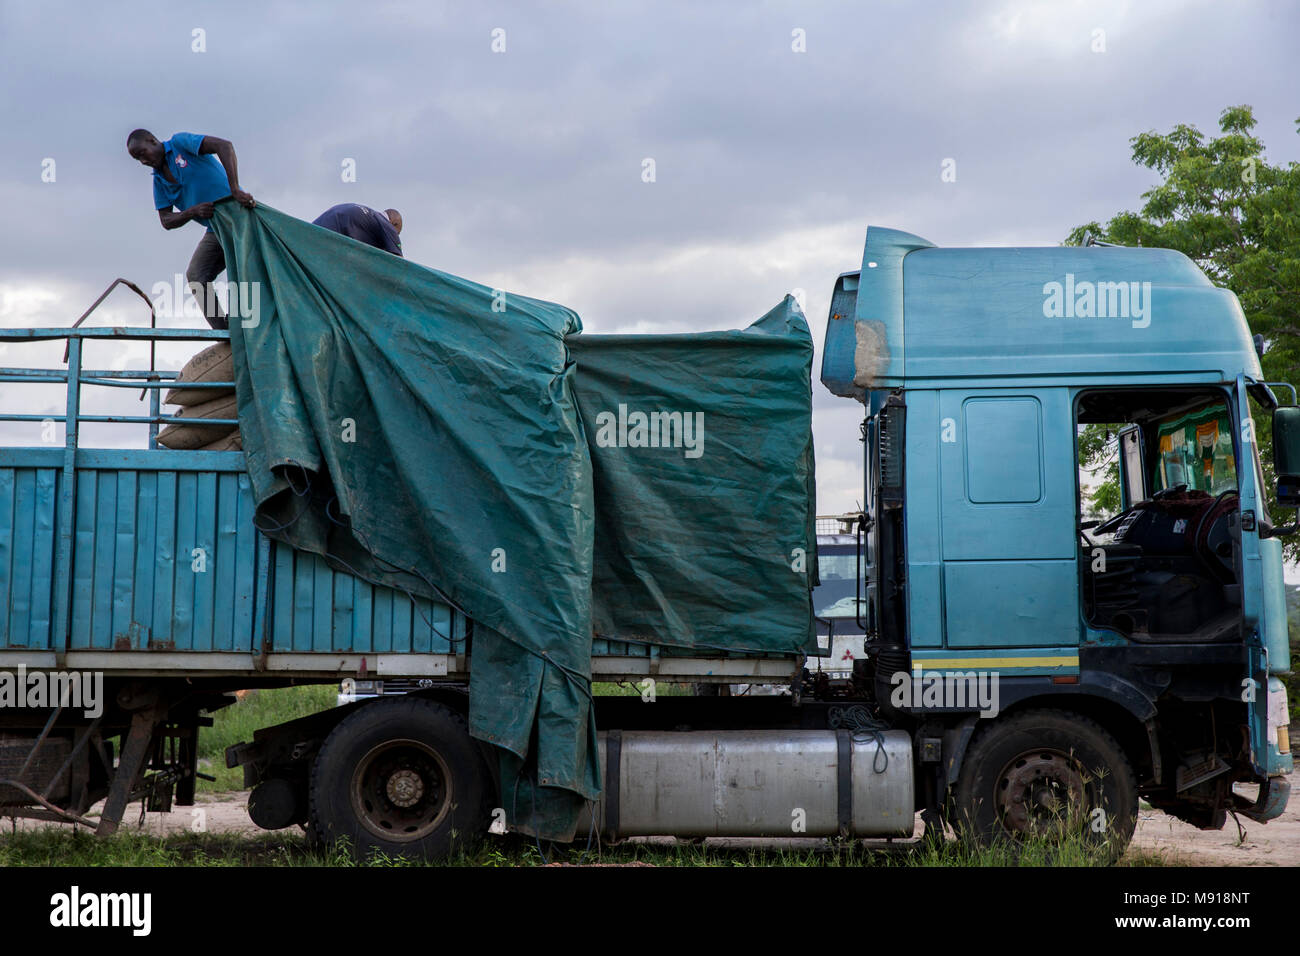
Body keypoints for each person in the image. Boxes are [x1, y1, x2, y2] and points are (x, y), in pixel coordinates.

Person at [127, 130, 256, 329]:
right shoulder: (158, 180)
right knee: (196, 275)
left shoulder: (181, 143)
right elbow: (166, 220)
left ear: (153, 141)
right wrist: (191, 212)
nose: (143, 161)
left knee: (242, 270)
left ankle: (246, 323)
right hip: (215, 228)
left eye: (143, 153)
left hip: (238, 217)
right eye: (137, 159)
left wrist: (235, 188)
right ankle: (224, 331)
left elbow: (225, 146)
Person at [312, 204, 403, 257]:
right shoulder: (387, 225)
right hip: (330, 237)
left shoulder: (370, 219)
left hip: (314, 229)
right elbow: (399, 263)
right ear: (393, 223)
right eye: (397, 233)